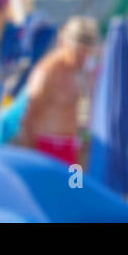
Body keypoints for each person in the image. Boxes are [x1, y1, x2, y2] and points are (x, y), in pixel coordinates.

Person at [19, 16, 99, 165]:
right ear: (64, 44)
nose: (82, 59)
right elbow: (27, 120)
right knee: (50, 189)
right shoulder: (46, 72)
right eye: (79, 52)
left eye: (87, 53)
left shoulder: (78, 70)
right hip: (47, 149)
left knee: (76, 188)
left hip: (72, 148)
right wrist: (32, 158)